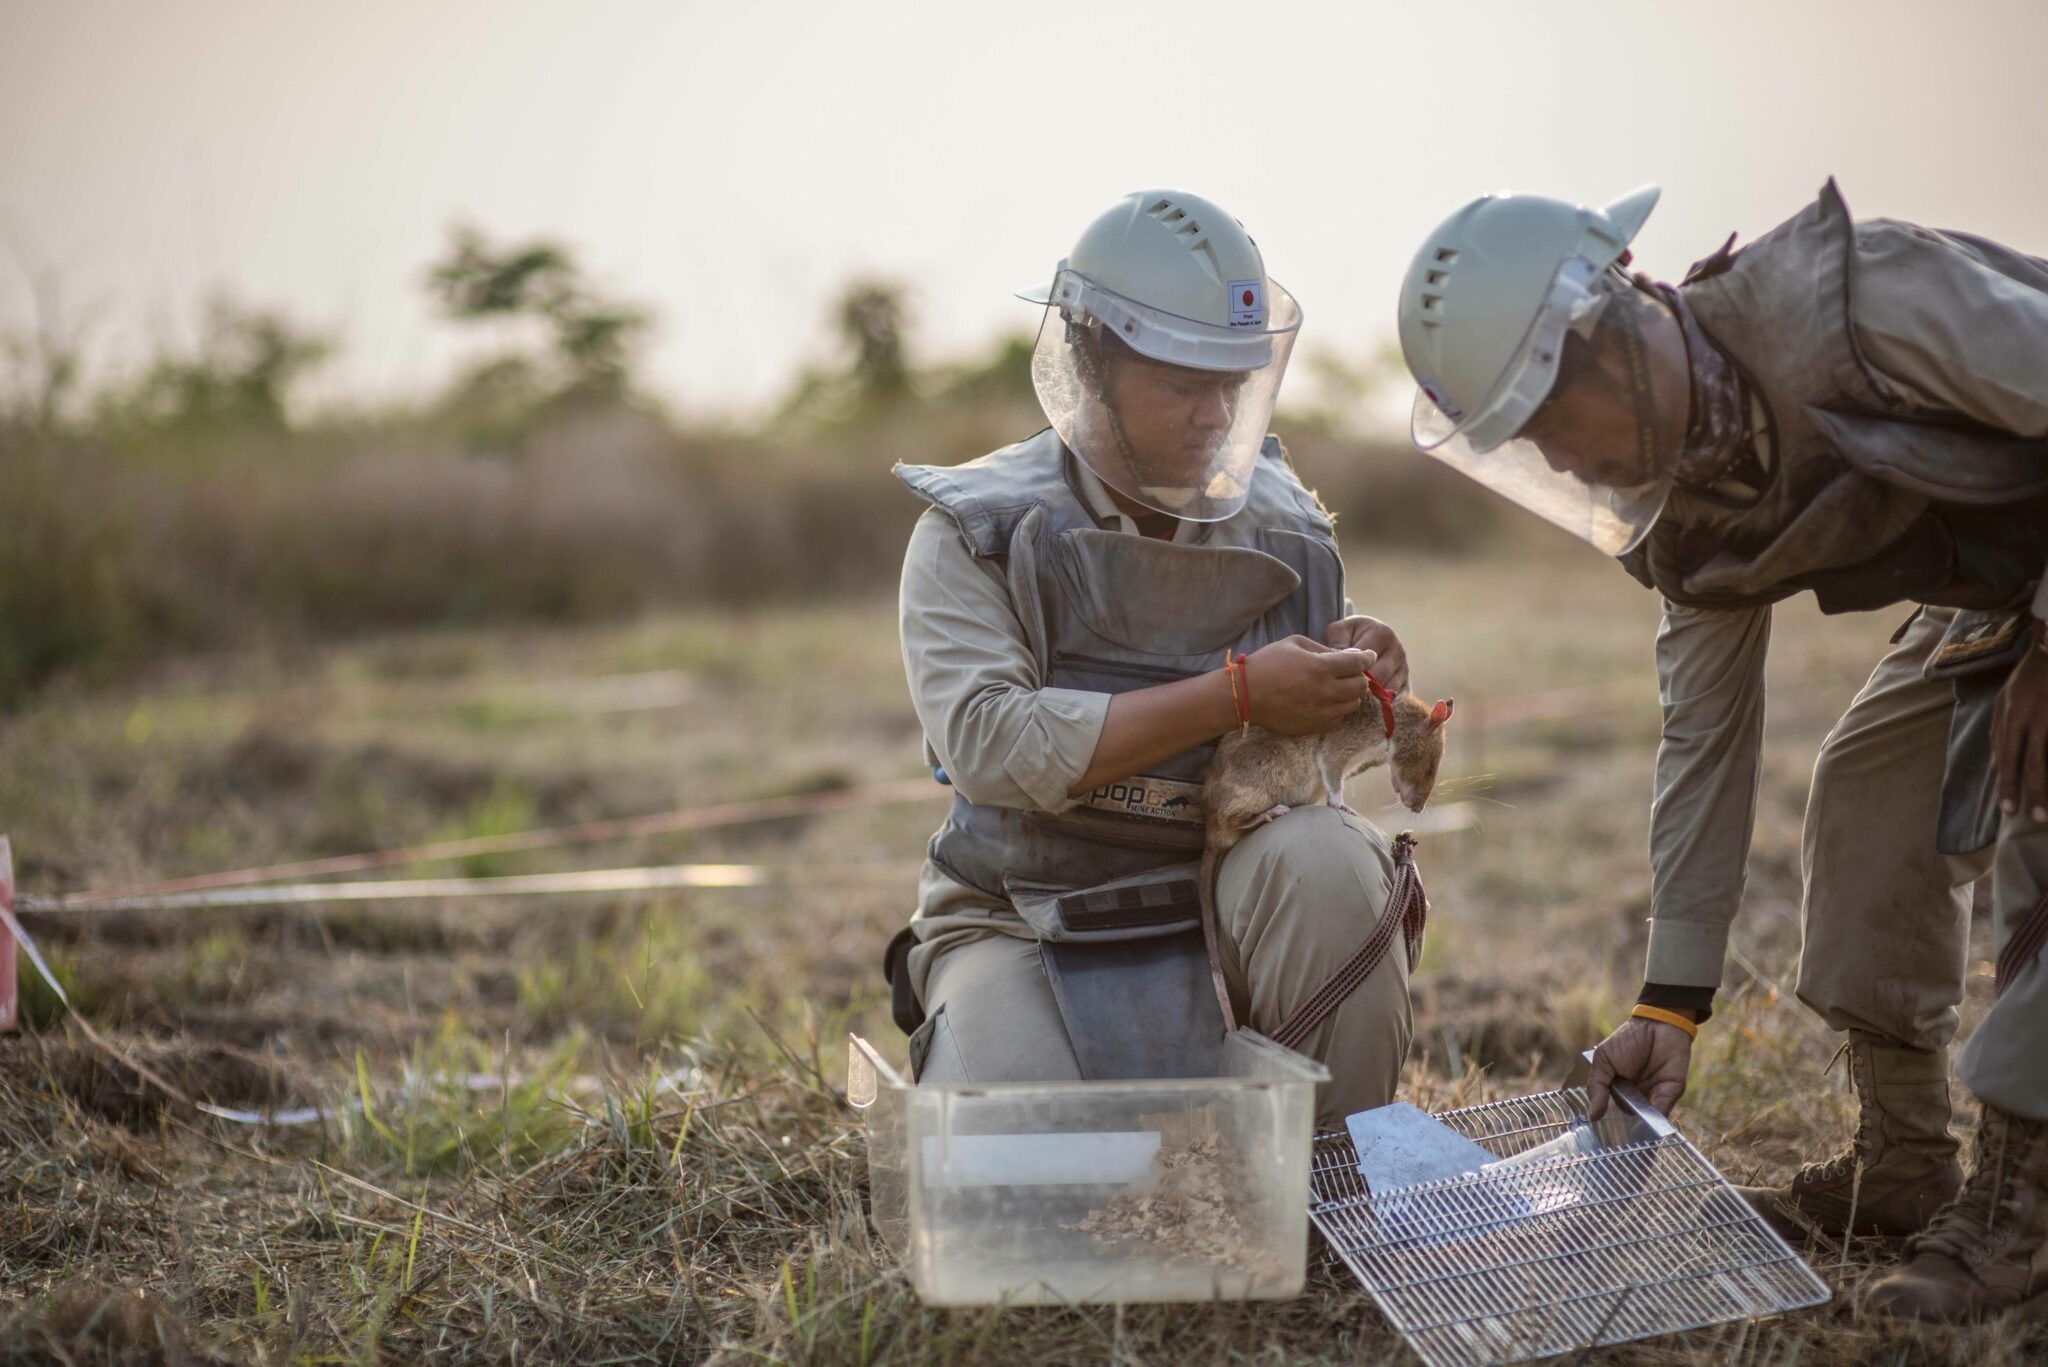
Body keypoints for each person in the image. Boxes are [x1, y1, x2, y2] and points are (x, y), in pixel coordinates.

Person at [1394, 179, 2048, 1322]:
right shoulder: (1680, 518)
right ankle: (1902, 1159)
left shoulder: (1862, 302)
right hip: (1997, 596)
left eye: (1545, 421)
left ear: (1606, 333)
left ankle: (2020, 1204)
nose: (1556, 464)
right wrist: (1669, 1003)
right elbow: (1703, 740)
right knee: (1864, 789)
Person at [886, 189, 1420, 1125]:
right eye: (1182, 384)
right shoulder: (977, 533)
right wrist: (1236, 694)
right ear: (1090, 362)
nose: (1215, 415)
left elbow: (1303, 777)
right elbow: (989, 744)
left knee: (1333, 861)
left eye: (1233, 384)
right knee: (1021, 1155)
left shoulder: (1292, 533)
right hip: (1021, 914)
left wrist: (1357, 676)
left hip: (1229, 905)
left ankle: (1332, 1178)